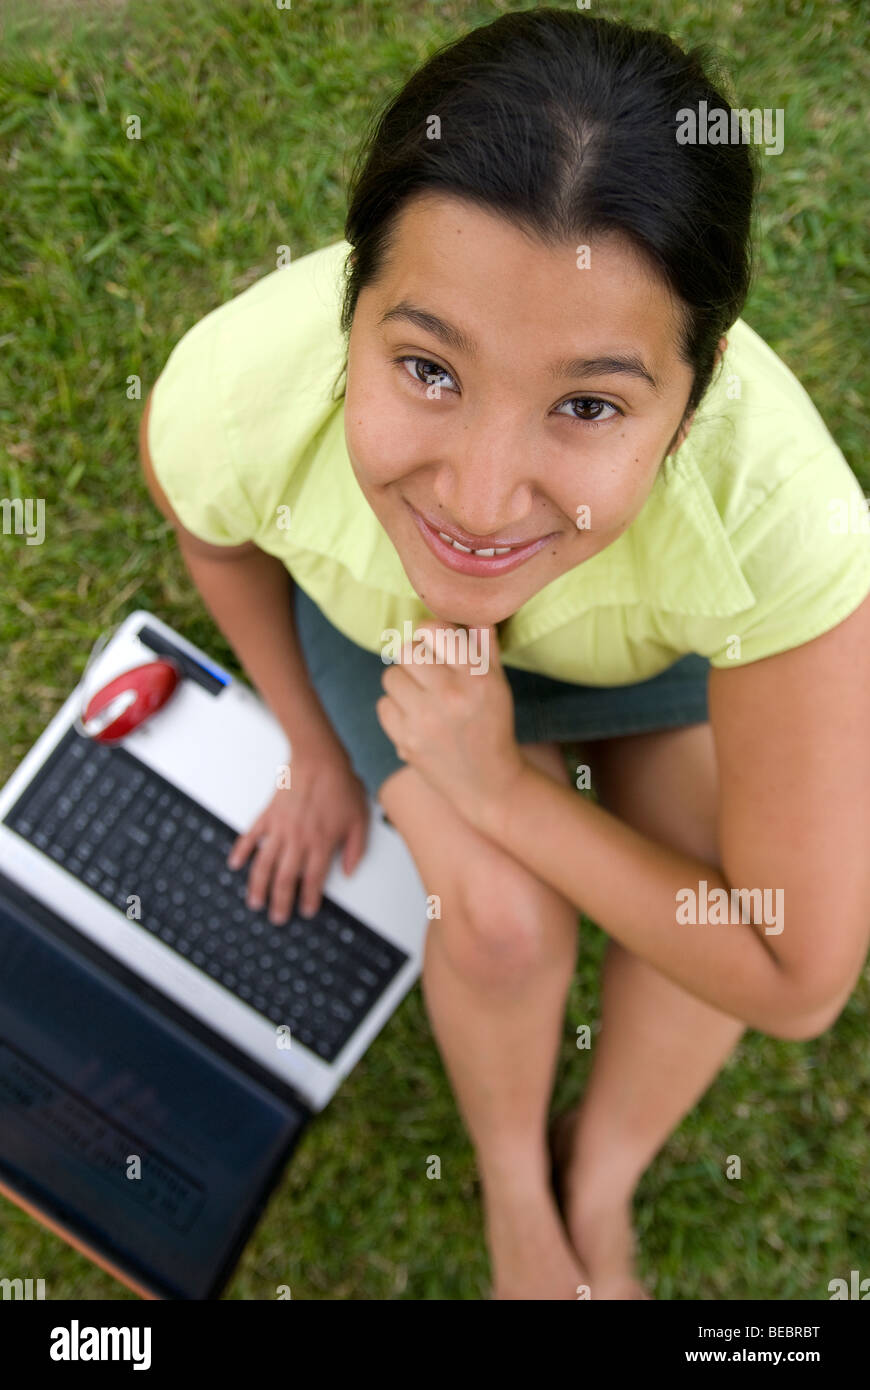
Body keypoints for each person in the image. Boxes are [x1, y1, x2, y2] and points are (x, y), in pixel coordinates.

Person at [140, 10, 870, 1300]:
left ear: (692, 402)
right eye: (426, 367)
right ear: (349, 309)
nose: (479, 502)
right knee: (491, 925)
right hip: (384, 645)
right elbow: (219, 542)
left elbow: (789, 972)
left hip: (653, 662)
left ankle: (599, 1175)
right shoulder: (241, 386)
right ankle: (515, 1192)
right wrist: (311, 735)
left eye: (587, 405)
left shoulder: (782, 527)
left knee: (704, 895)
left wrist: (501, 788)